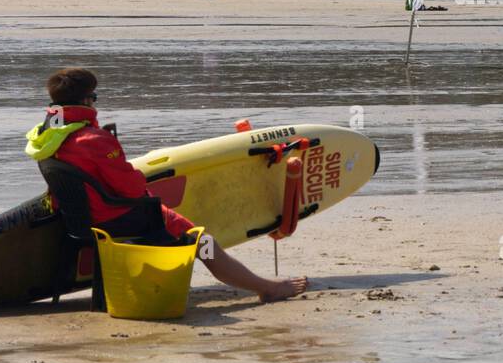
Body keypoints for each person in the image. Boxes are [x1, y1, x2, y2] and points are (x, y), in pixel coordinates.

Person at [25, 68, 307, 302]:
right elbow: (132, 189)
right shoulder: (94, 140)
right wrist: (131, 171)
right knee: (202, 241)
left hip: (78, 217)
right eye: (94, 97)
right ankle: (267, 289)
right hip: (117, 216)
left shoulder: (45, 135)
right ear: (86, 101)